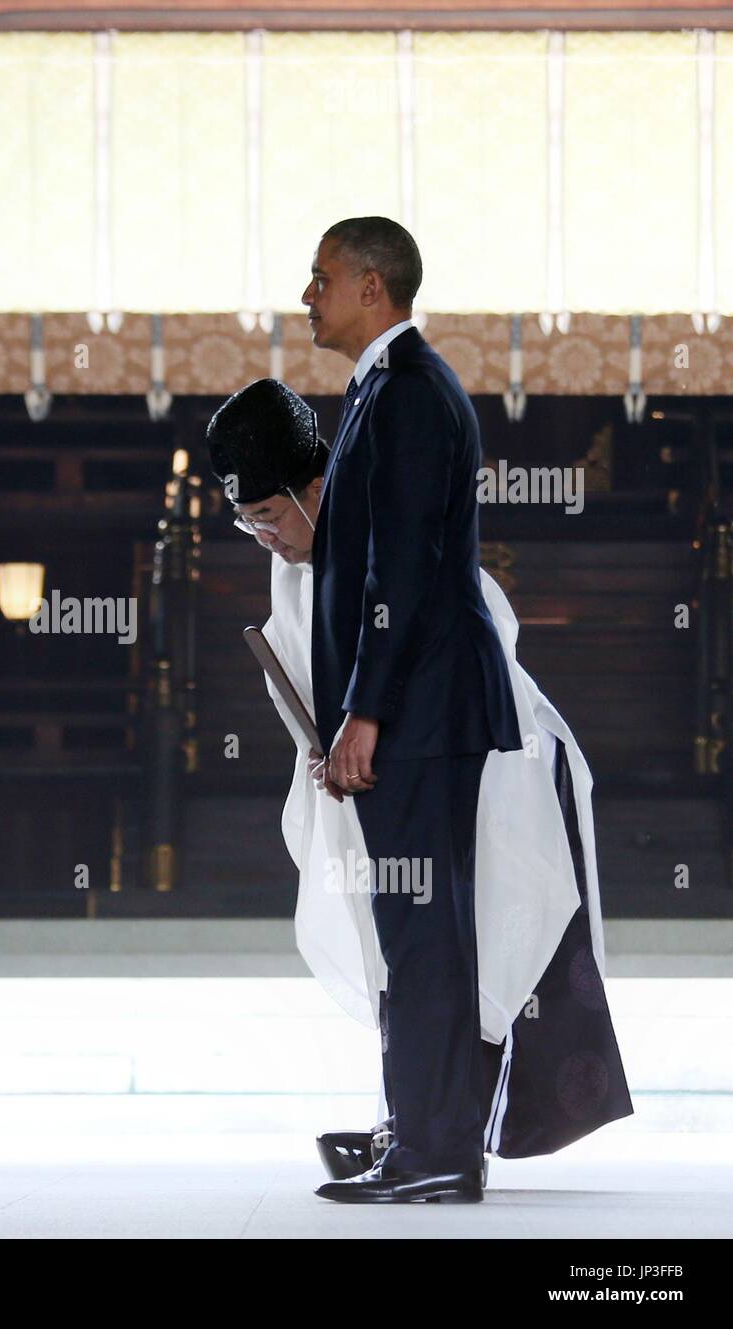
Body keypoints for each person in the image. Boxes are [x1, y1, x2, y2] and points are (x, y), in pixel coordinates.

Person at [206, 238, 631, 1203]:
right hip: (408, 725)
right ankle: (429, 1133)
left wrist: (362, 713)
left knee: (435, 936)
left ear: (371, 285)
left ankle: (439, 1147)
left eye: (321, 279)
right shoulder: (376, 391)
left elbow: (402, 577)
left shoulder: (404, 392)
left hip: (437, 728)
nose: (306, 295)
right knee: (417, 937)